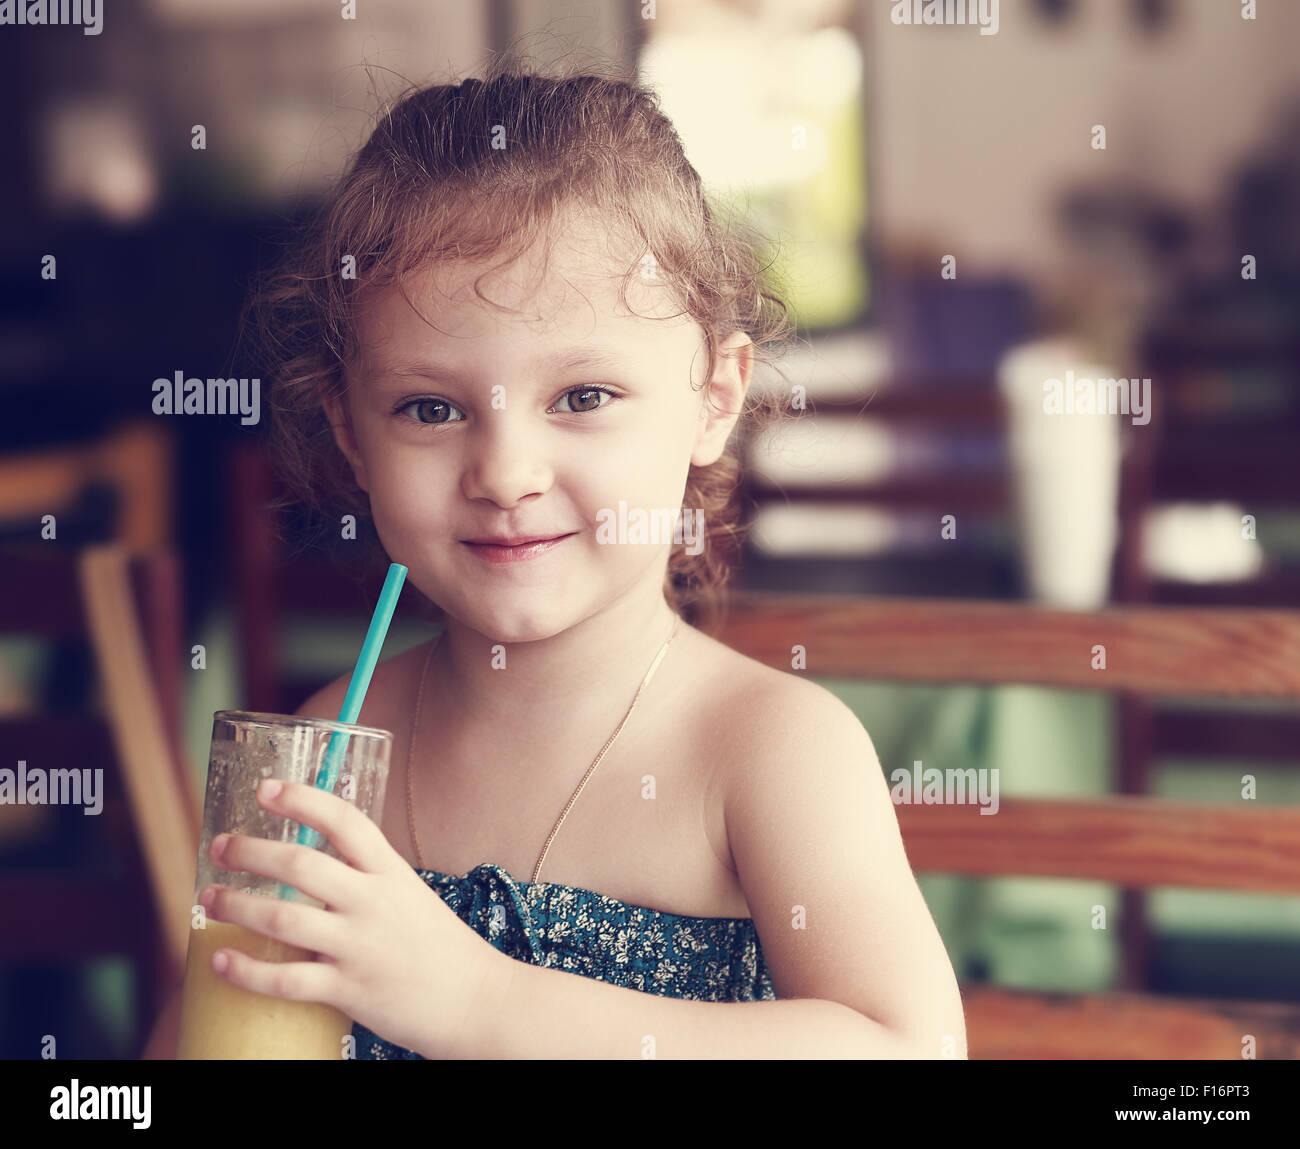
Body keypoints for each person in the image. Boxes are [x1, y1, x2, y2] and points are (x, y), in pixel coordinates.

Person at [148, 58, 967, 1060]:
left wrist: (480, 1004)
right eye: (430, 408)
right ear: (353, 436)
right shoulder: (329, 745)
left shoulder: (770, 751)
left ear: (714, 398)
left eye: (582, 397)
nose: (504, 472)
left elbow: (909, 1048)